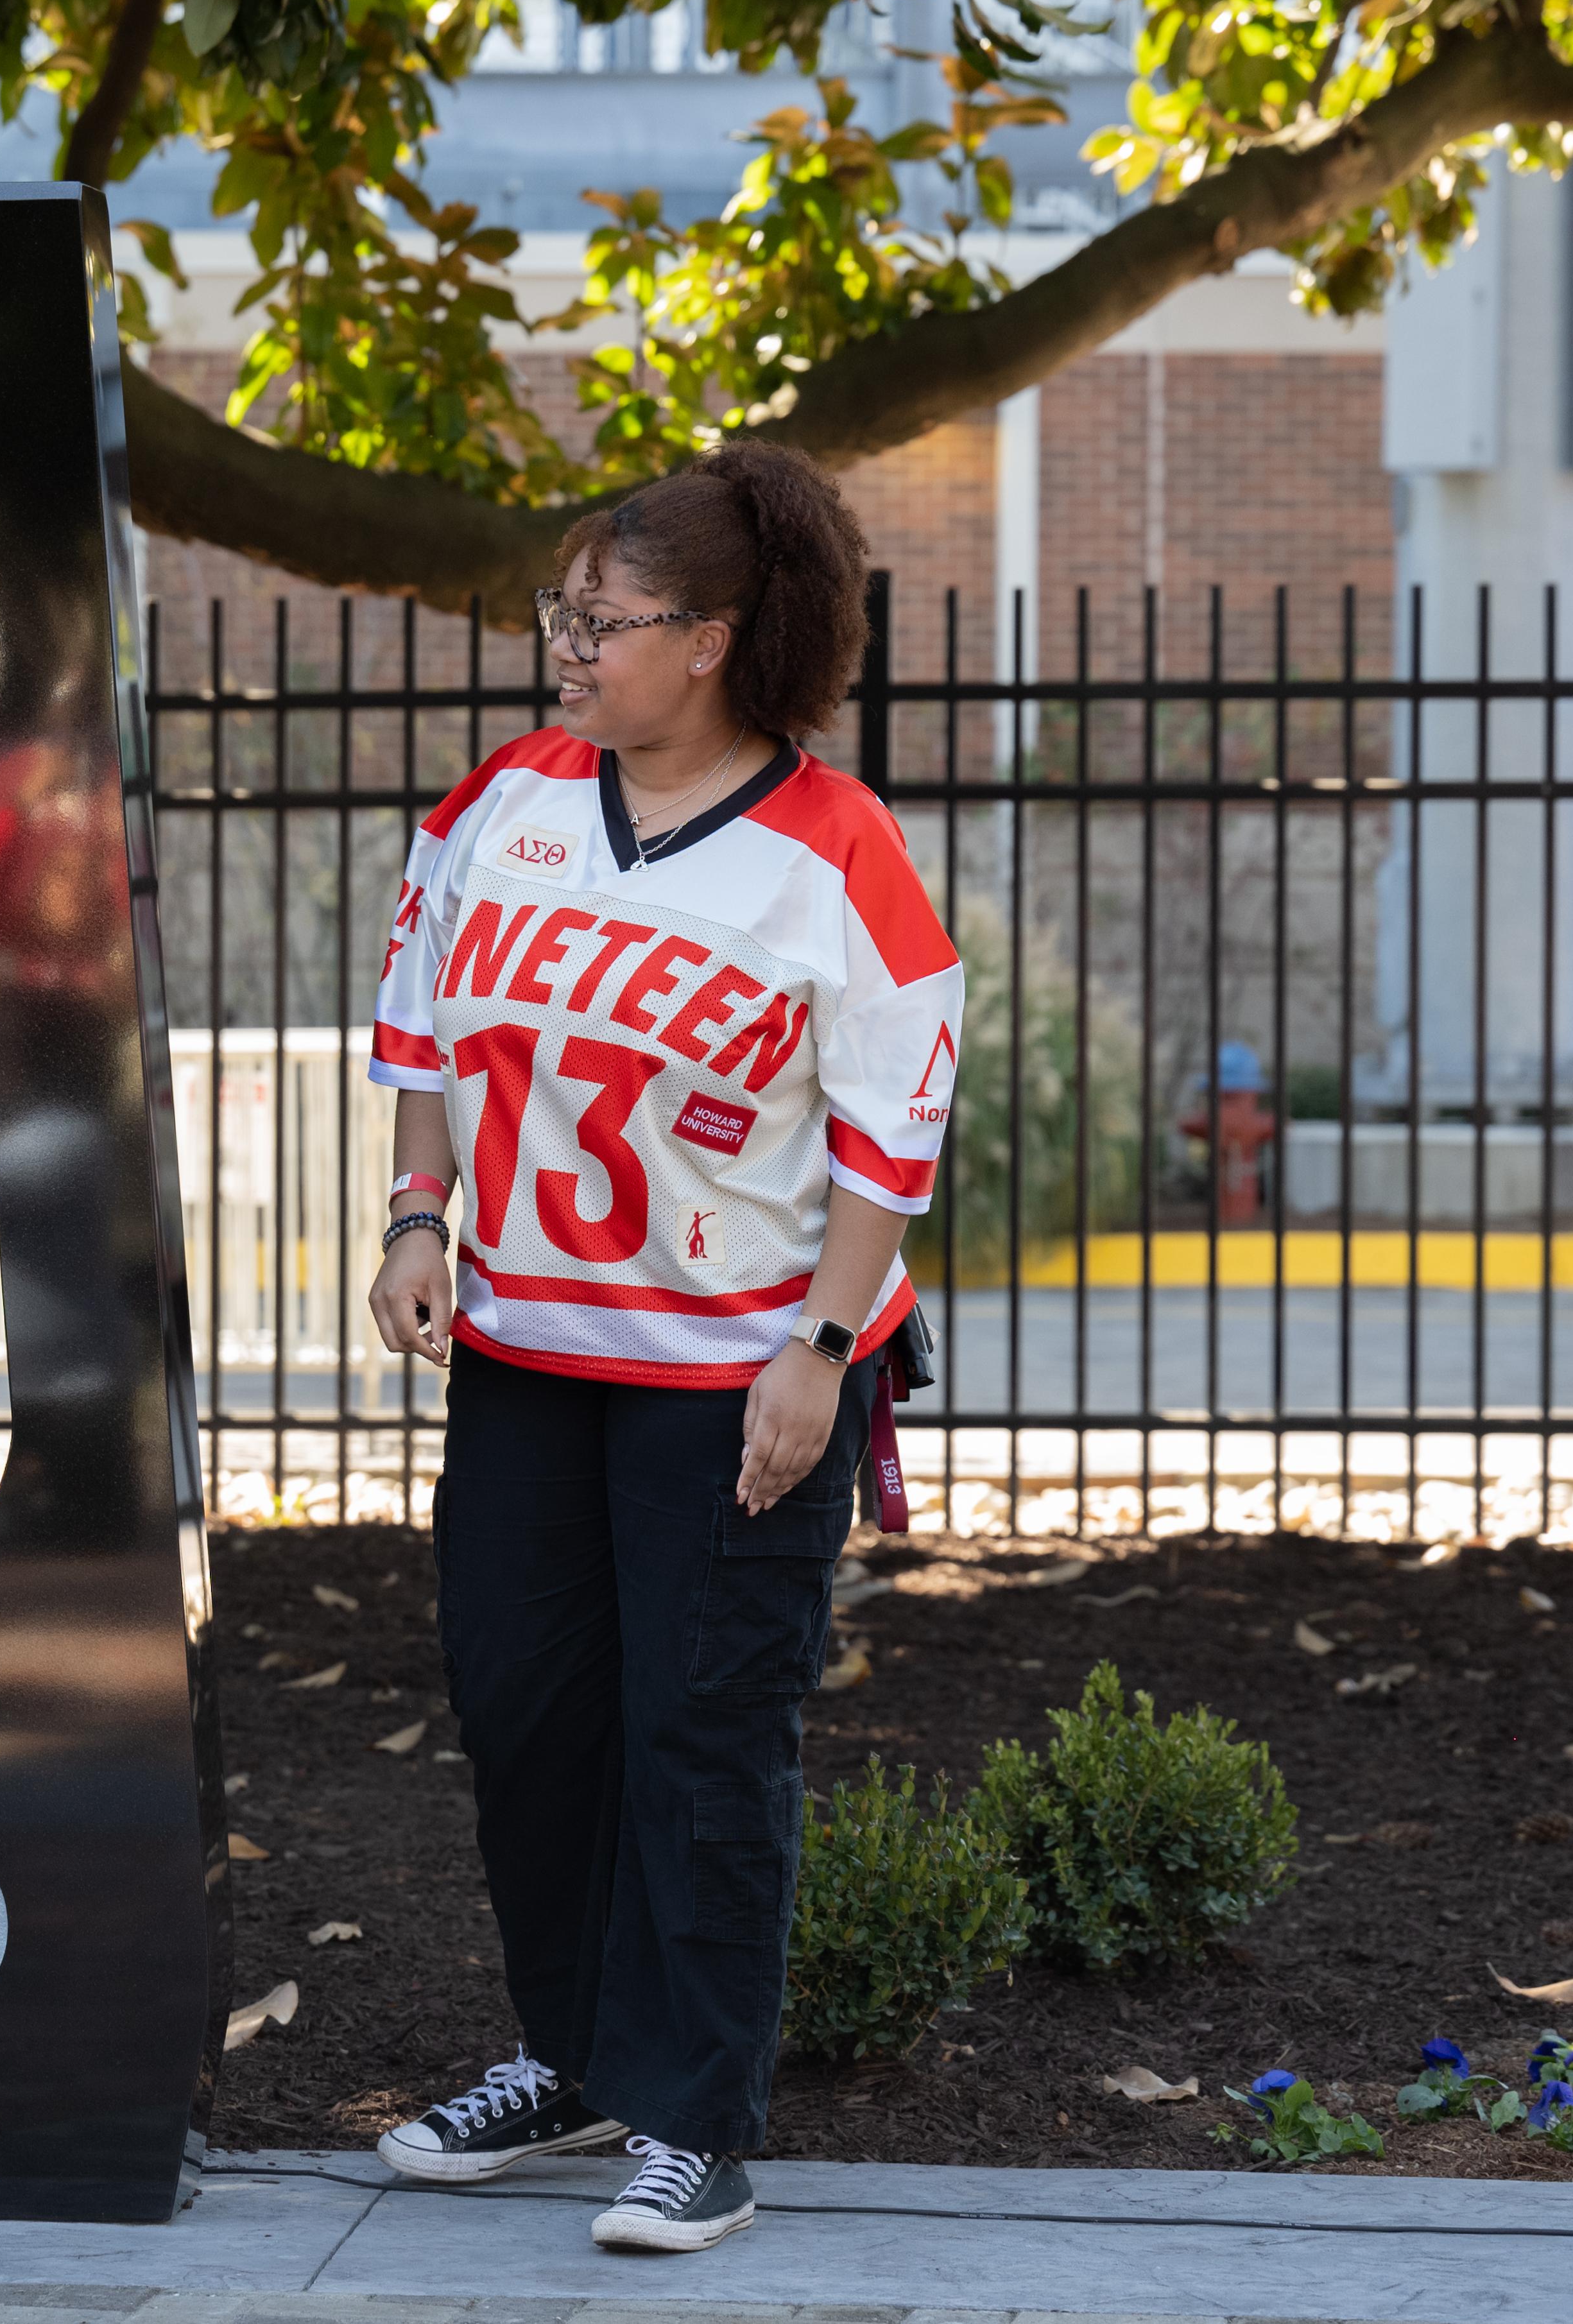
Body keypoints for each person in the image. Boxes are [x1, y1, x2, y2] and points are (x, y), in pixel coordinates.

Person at [357, 445, 960, 2254]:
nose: (564, 647)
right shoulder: (501, 805)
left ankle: (696, 2115)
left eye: (597, 622)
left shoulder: (832, 849)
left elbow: (889, 1131)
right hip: (531, 1358)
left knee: (701, 1736)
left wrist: (821, 1348)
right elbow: (418, 1035)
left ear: (706, 639)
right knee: (531, 1717)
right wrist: (412, 1216)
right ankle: (574, 2056)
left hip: (741, 1372)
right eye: (561, 614)